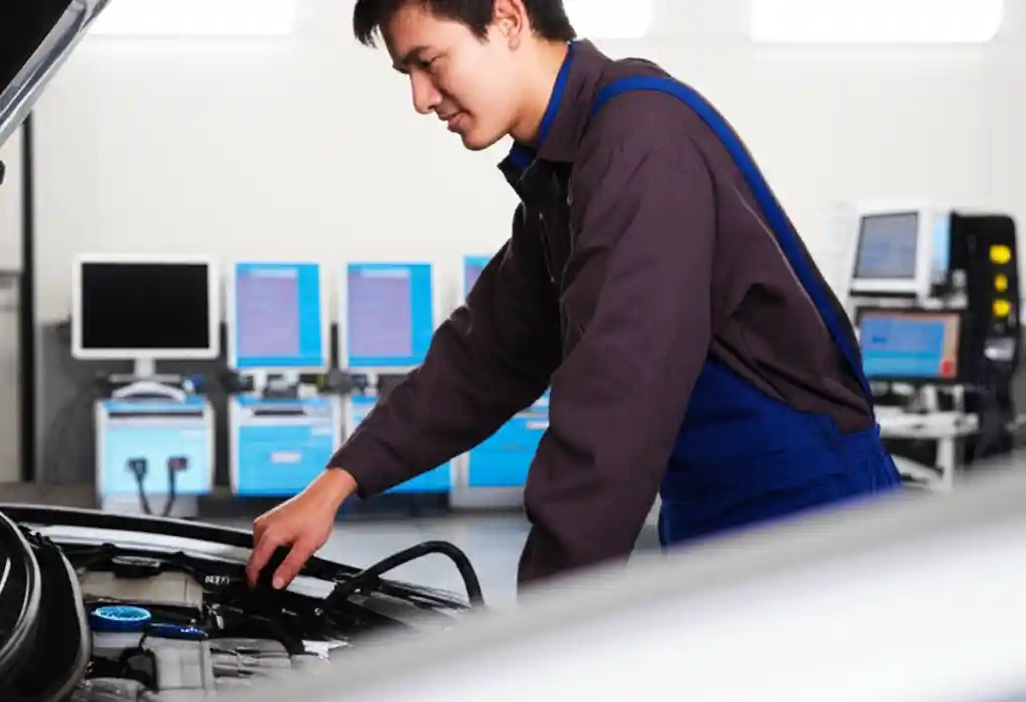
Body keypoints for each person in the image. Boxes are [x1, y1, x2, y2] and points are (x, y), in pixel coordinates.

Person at [246, 0, 902, 591]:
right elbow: (484, 359)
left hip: (810, 517)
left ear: (507, 18)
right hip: (719, 513)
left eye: (429, 62)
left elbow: (617, 405)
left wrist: (543, 633)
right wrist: (336, 484)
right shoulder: (566, 173)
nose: (421, 98)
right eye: (406, 75)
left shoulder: (641, 141)